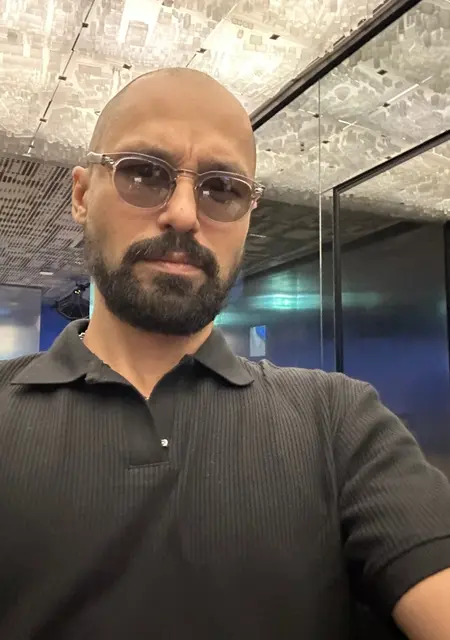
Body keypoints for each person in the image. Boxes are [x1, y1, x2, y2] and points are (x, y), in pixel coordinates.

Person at [0, 68, 449, 640]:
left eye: (222, 189)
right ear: (83, 195)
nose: (185, 214)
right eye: (144, 172)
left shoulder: (340, 423)